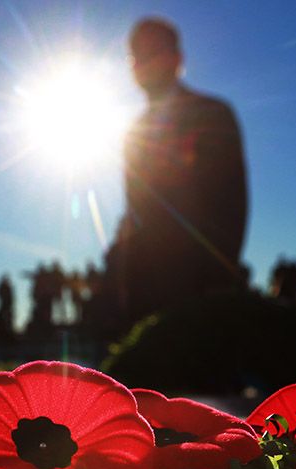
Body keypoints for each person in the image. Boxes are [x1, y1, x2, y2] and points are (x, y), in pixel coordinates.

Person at [106, 17, 249, 326]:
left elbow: (232, 203)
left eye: (152, 52)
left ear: (177, 58)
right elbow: (136, 212)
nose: (142, 63)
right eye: (136, 55)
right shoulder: (133, 132)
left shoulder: (213, 114)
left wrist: (216, 282)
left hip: (203, 295)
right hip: (146, 300)